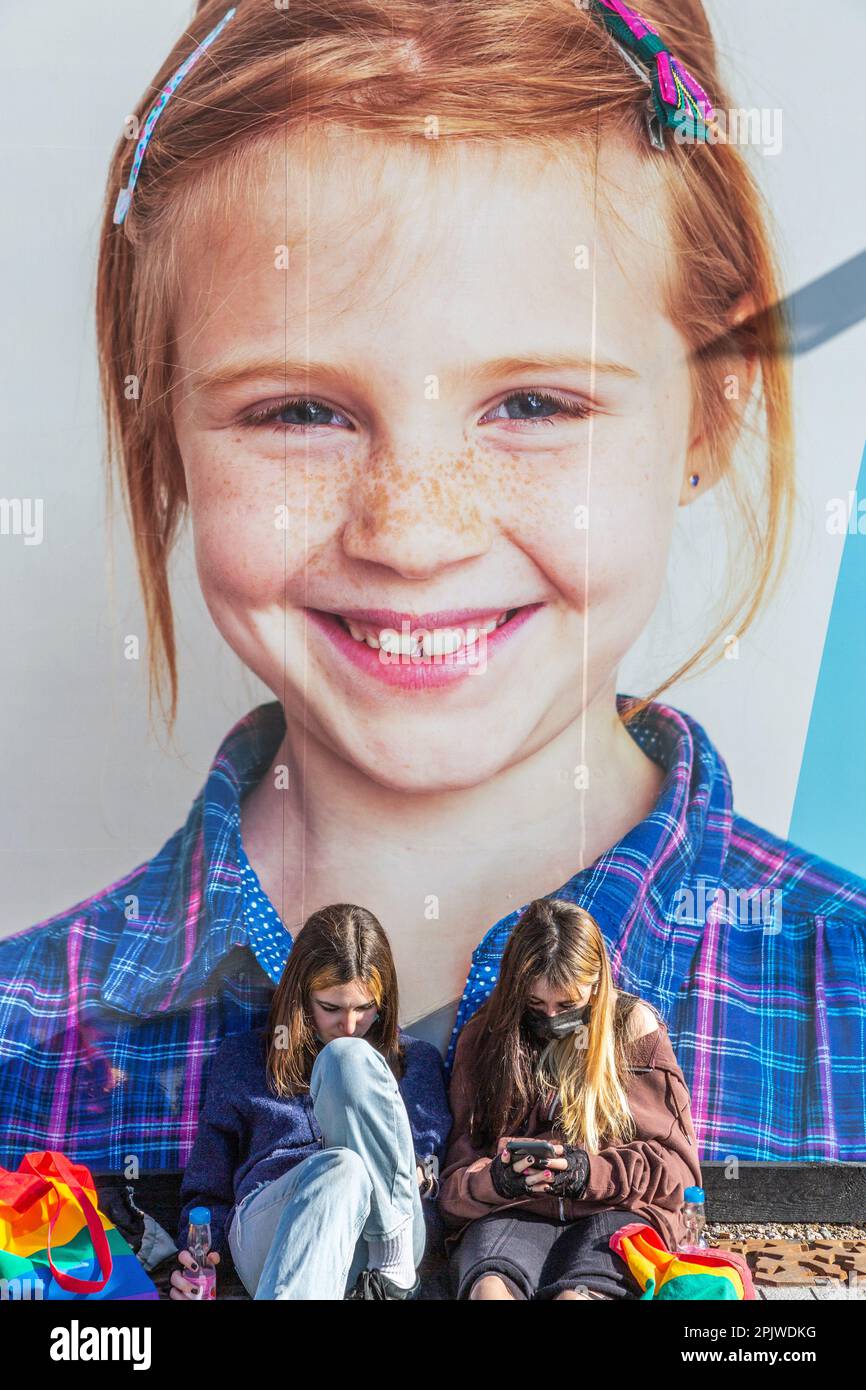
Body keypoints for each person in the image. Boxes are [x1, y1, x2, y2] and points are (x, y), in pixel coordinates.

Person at [2, 0, 865, 1179]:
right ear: (165, 439)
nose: (411, 532)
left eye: (535, 404)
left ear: (709, 409)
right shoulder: (18, 1051)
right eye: (299, 411)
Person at [171, 904, 451, 1300]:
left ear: (384, 1000)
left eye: (365, 1008)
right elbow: (208, 1186)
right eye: (331, 1008)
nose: (350, 1026)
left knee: (348, 1061)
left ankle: (393, 1263)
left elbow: (428, 1175)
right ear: (302, 997)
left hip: (382, 1236)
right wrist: (197, 1259)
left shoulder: (414, 1062)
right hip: (274, 1229)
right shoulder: (245, 1057)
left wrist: (419, 1173)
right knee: (343, 1168)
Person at [439, 899, 702, 1301]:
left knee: (576, 1298)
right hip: (514, 1209)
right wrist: (496, 1180)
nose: (551, 1019)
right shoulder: (486, 1038)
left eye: (567, 1006)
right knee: (489, 1291)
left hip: (613, 1209)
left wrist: (587, 1172)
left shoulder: (631, 1028)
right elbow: (454, 1185)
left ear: (597, 986)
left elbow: (679, 1175)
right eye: (534, 1006)